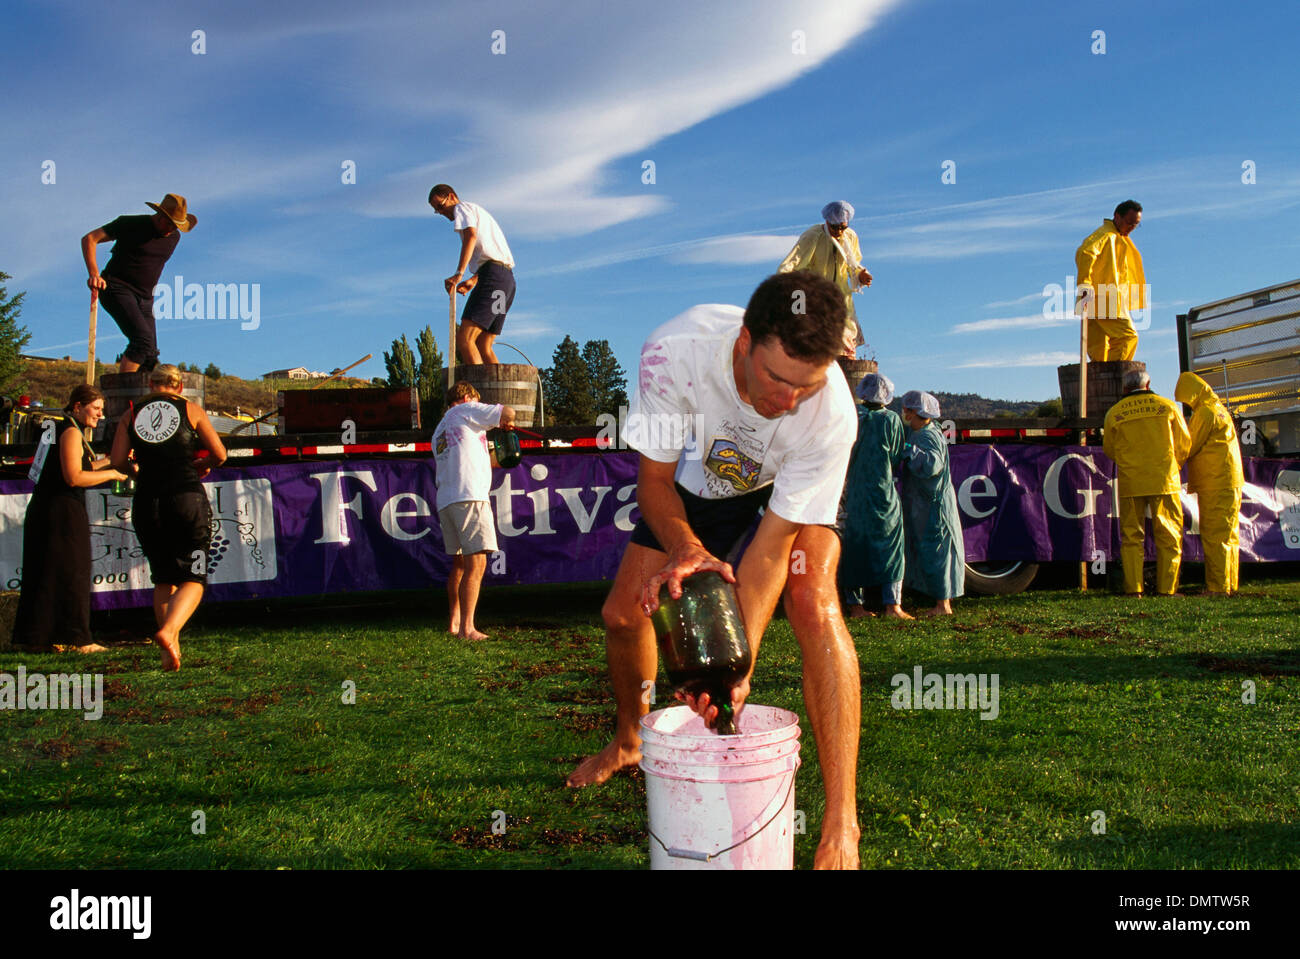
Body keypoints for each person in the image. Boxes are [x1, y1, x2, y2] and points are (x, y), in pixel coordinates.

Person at [566, 271, 863, 869]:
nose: (786, 401)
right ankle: (629, 741)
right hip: (702, 485)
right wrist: (685, 547)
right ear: (743, 342)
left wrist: (734, 665)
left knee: (812, 599)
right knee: (624, 615)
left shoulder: (829, 413)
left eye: (804, 387)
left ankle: (840, 822)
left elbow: (773, 549)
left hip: (787, 489)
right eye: (777, 379)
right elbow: (653, 482)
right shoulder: (674, 352)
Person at [111, 365, 226, 670]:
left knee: (162, 576)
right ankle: (169, 631)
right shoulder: (191, 409)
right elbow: (220, 454)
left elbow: (118, 461)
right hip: (186, 498)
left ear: (150, 384)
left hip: (148, 502)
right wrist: (202, 466)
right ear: (179, 386)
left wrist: (136, 470)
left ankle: (168, 651)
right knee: (193, 576)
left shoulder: (131, 413)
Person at [11, 386, 128, 653]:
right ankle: (78, 639)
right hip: (62, 511)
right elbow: (74, 476)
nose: (100, 415)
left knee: (47, 574)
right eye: (96, 409)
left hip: (45, 508)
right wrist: (113, 475)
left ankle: (40, 637)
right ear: (77, 406)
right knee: (72, 572)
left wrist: (110, 462)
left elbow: (70, 466)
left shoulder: (56, 428)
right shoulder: (72, 431)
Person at [432, 381, 515, 640]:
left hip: (448, 498)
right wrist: (507, 423)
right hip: (469, 496)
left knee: (459, 564)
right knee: (477, 562)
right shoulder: (466, 409)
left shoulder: (441, 429)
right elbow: (508, 411)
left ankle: (454, 623)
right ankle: (468, 629)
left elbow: (477, 458)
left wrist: (502, 456)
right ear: (468, 397)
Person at [82, 194, 197, 373]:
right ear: (160, 215)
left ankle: (142, 398)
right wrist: (94, 274)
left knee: (150, 354)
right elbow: (90, 239)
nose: (171, 229)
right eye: (169, 223)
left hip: (145, 298)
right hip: (116, 287)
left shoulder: (173, 237)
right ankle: (123, 394)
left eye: (176, 226)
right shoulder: (130, 224)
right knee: (142, 342)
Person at [1102, 370, 1191, 596]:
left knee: (1132, 537)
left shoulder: (1114, 413)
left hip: (1131, 482)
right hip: (1164, 480)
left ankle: (1134, 590)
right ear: (1148, 383)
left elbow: (1109, 449)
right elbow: (1184, 444)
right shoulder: (1168, 407)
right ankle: (1167, 590)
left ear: (1125, 389)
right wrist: (1174, 465)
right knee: (1169, 535)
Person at [840, 372, 912, 620]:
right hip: (883, 492)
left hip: (856, 491)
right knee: (891, 545)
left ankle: (855, 606)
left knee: (855, 546)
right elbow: (895, 456)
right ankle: (892, 605)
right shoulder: (891, 421)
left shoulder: (854, 418)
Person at [428, 184, 516, 366]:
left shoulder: (462, 208)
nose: (441, 213)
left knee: (465, 339)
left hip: (493, 278)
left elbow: (471, 236)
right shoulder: (479, 213)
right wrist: (474, 280)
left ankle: (477, 394)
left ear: (451, 196)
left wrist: (458, 274)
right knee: (484, 344)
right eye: (436, 211)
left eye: (441, 206)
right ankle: (497, 393)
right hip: (505, 282)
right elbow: (492, 257)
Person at [1175, 372, 1244, 596]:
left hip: (1215, 481)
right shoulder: (1219, 409)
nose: (1187, 404)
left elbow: (1189, 444)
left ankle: (1217, 587)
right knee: (1229, 534)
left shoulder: (1205, 413)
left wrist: (1170, 463)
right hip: (1229, 479)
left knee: (1215, 536)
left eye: (1186, 399)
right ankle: (1229, 583)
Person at [899, 390, 965, 616]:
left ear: (916, 412)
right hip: (923, 504)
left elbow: (931, 466)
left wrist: (909, 451)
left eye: (907, 409)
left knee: (939, 553)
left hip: (934, 506)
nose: (904, 413)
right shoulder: (919, 432)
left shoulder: (928, 436)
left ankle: (942, 605)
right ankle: (936, 600)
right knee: (929, 552)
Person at [777, 201, 872, 356]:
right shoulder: (813, 237)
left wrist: (861, 274)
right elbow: (789, 265)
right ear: (827, 221)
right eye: (835, 227)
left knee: (847, 339)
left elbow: (853, 264)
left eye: (843, 227)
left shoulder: (850, 237)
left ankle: (844, 375)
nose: (839, 231)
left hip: (841, 297)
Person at [1075, 199, 1145, 362]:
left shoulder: (1117, 237)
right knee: (1128, 336)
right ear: (1117, 217)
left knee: (1099, 347)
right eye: (1129, 223)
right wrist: (1085, 284)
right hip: (1104, 298)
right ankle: (1117, 376)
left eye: (1136, 225)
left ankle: (1100, 381)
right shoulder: (1106, 234)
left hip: (1099, 298)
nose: (1132, 228)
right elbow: (1085, 252)